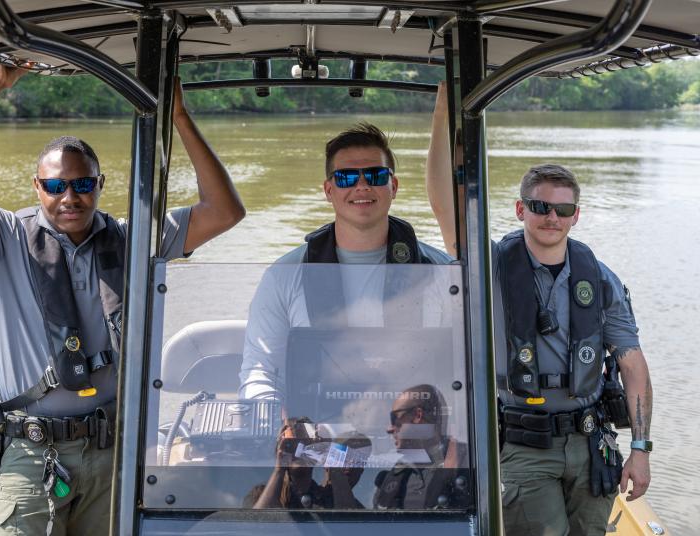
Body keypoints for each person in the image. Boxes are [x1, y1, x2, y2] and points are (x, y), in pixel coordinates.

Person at [0, 64, 245, 535]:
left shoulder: (133, 238)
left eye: (83, 185)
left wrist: (180, 117)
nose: (70, 197)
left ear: (100, 186)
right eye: (56, 185)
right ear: (37, 187)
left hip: (112, 451)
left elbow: (225, 210)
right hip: (30, 452)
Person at [426, 83, 653, 535]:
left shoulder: (600, 278)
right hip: (523, 447)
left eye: (563, 209)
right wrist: (446, 99)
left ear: (576, 215)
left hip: (592, 443)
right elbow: (444, 200)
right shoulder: (488, 267)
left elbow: (633, 365)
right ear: (520, 210)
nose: (552, 217)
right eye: (540, 206)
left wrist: (641, 448)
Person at [238, 123, 451, 402]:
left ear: (393, 186)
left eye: (375, 175)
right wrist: (274, 421)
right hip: (313, 436)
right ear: (329, 191)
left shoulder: (439, 272)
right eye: (346, 178)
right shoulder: (284, 276)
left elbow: (462, 367)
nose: (362, 185)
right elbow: (260, 370)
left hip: (415, 433)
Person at [373, 384, 468, 510]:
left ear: (418, 416)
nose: (389, 429)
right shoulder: (391, 478)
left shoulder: (470, 461)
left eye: (394, 418)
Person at [244, 419, 371, 509]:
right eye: (291, 444)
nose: (298, 449)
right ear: (279, 449)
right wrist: (279, 470)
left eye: (306, 444)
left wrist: (331, 458)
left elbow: (350, 524)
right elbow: (256, 527)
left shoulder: (329, 498)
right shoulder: (261, 494)